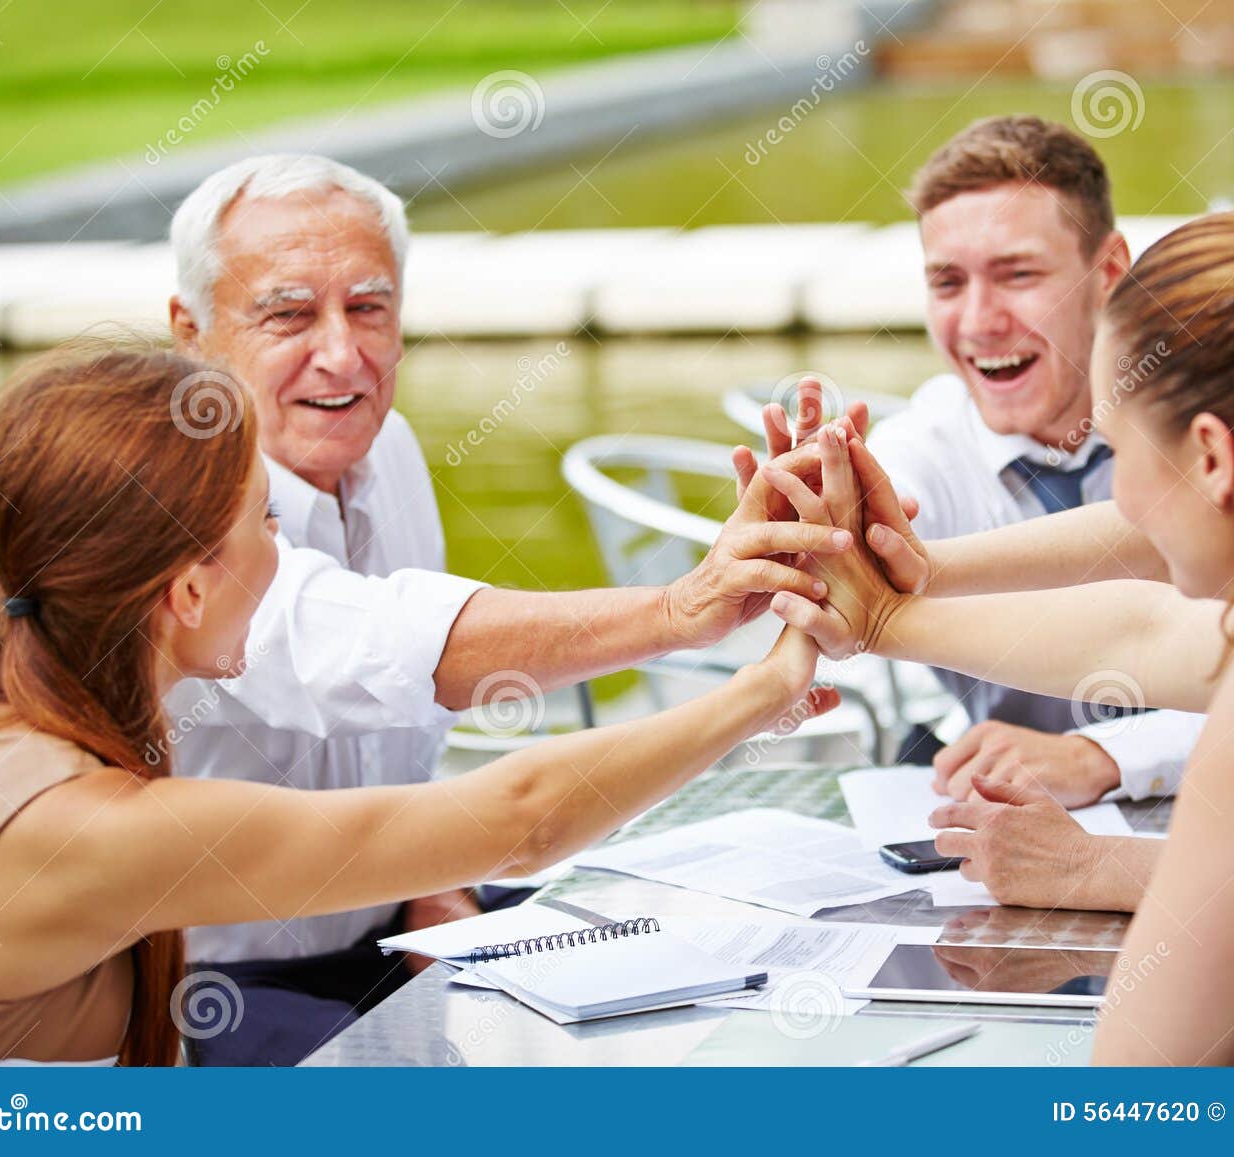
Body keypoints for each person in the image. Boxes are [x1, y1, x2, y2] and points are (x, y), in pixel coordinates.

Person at [0, 344, 837, 1067]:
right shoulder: (88, 828)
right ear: (188, 593)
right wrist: (767, 681)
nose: (284, 552)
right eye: (266, 522)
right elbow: (517, 818)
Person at [159, 155, 844, 1063]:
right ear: (191, 335)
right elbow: (383, 652)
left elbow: (400, 730)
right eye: (288, 314)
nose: (341, 353)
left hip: (398, 930)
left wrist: (430, 895)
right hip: (210, 988)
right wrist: (688, 608)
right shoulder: (174, 503)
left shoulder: (383, 442)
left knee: (718, 995)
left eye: (369, 308)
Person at [766, 207, 1234, 1063]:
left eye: (1116, 448)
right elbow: (1143, 627)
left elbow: (1140, 1103)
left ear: (1211, 457)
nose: (1118, 498)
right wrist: (885, 609)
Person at [735, 117, 1203, 808]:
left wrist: (1108, 755)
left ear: (1107, 273)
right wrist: (832, 524)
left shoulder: (1209, 421)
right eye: (948, 282)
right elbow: (891, 497)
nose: (981, 320)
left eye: (1018, 274)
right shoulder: (929, 442)